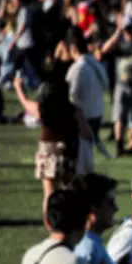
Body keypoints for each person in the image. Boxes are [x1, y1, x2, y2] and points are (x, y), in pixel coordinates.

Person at [13, 77, 94, 212]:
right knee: (71, 192)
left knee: (49, 194)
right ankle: (70, 222)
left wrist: (19, 88)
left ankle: (51, 225)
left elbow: (26, 103)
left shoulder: (42, 109)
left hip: (47, 152)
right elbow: (86, 134)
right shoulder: (74, 110)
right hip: (68, 151)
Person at [64, 27, 109, 154]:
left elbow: (71, 95)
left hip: (83, 116)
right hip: (97, 113)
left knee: (79, 154)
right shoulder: (97, 64)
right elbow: (106, 85)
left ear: (72, 48)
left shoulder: (77, 68)